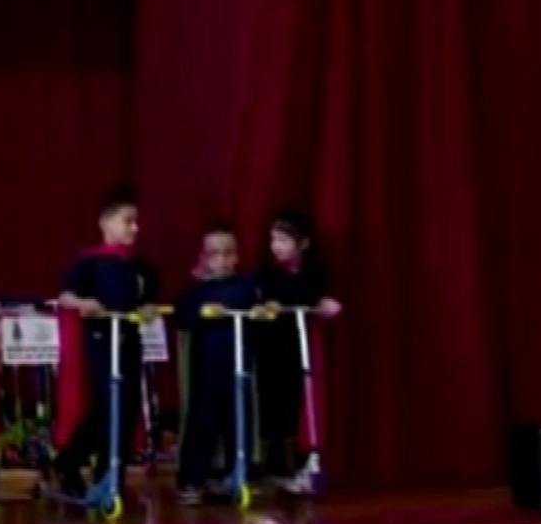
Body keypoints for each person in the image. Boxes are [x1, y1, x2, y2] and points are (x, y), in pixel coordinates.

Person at [52, 187, 161, 496]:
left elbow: (150, 299)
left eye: (136, 222)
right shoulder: (90, 262)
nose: (134, 228)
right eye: (128, 221)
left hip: (129, 338)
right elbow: (66, 295)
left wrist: (149, 309)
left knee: (127, 407)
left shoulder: (140, 265)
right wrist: (84, 303)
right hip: (101, 339)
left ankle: (112, 473)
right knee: (105, 405)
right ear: (106, 223)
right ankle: (70, 462)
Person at [174, 222, 261, 505]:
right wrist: (201, 311)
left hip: (239, 369)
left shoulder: (247, 286)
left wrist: (261, 309)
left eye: (227, 253)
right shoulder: (197, 291)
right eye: (214, 254)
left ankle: (242, 474)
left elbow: (262, 306)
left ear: (236, 255)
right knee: (202, 424)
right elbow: (183, 317)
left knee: (240, 422)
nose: (221, 261)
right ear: (204, 258)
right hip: (206, 372)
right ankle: (192, 479)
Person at [254, 209, 340, 493]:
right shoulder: (267, 274)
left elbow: (313, 296)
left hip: (300, 349)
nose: (276, 246)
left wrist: (325, 304)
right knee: (273, 406)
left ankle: (302, 465)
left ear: (302, 243)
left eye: (283, 240)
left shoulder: (315, 272)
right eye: (273, 239)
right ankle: (272, 468)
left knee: (298, 406)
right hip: (272, 350)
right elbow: (262, 296)